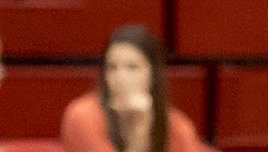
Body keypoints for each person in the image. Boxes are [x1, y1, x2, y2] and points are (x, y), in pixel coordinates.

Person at [59, 26, 210, 152]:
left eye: (132, 68)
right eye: (112, 67)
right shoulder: (82, 116)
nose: (120, 77)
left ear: (153, 74)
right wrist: (139, 129)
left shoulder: (177, 126)